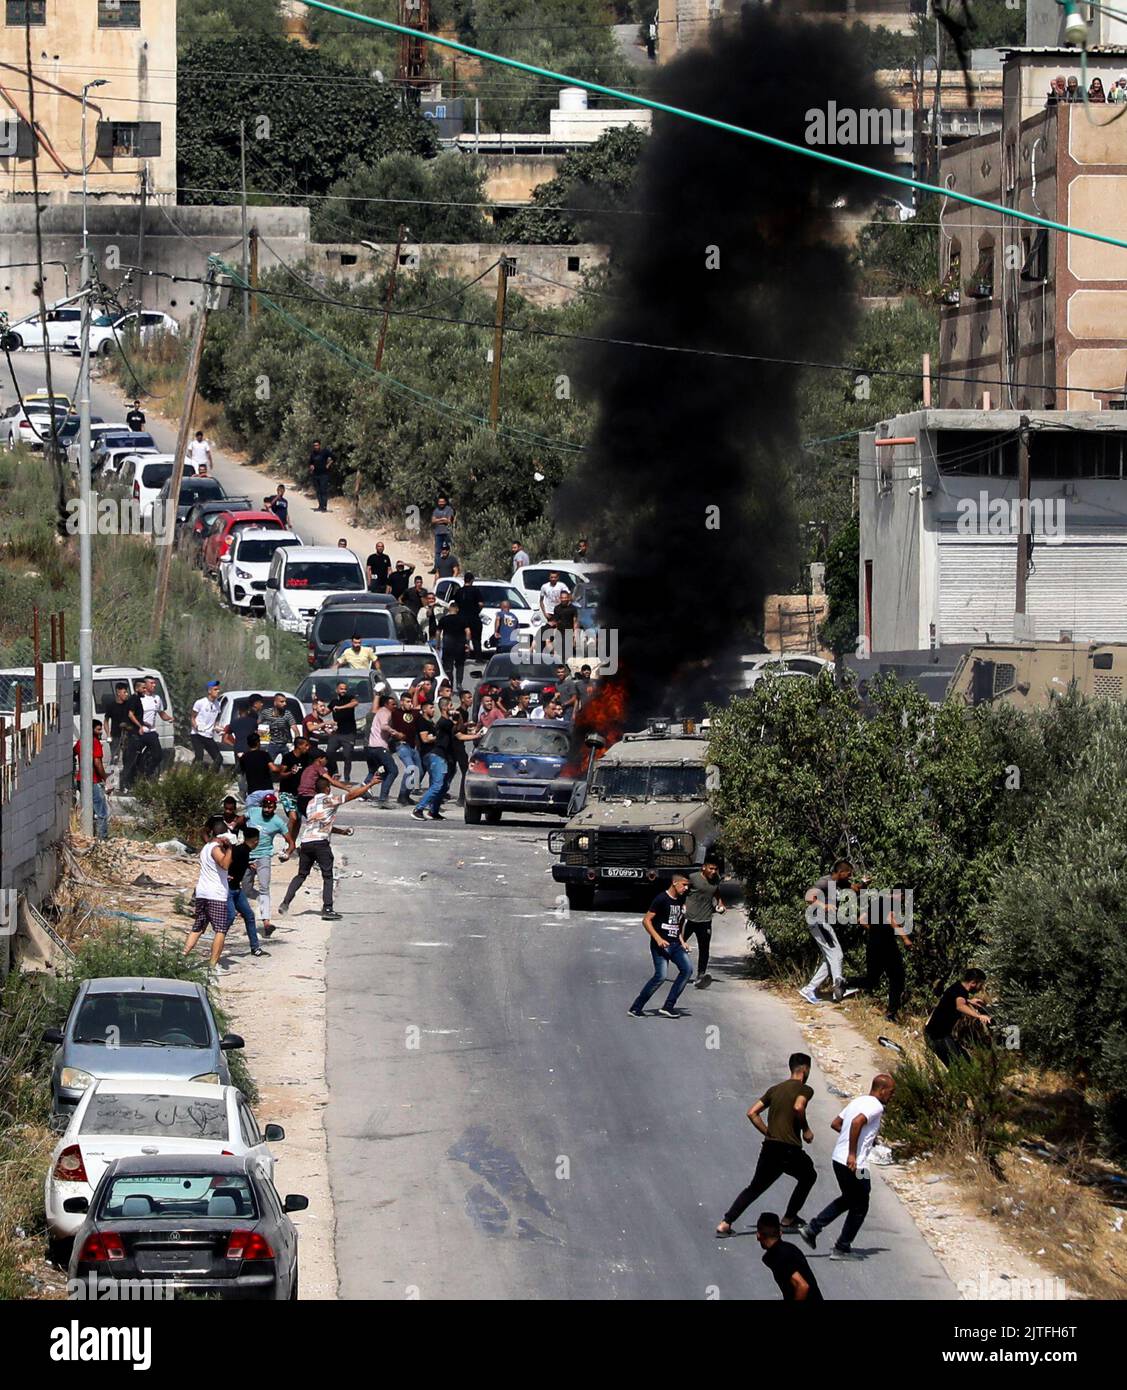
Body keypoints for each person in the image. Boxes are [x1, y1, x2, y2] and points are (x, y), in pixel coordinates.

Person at [716, 1053, 817, 1237]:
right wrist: (806, 1130)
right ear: (805, 1070)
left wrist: (769, 1132)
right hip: (789, 1149)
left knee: (754, 1188)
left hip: (770, 1147)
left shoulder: (775, 1089)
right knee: (809, 1176)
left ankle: (725, 1223)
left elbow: (752, 1112)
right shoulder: (805, 1089)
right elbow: (798, 1107)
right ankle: (789, 1218)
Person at [800, 1074, 896, 1261]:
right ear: (882, 1090)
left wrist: (865, 1140)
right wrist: (853, 1152)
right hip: (855, 1165)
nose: (891, 1097)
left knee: (851, 1198)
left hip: (839, 1159)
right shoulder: (876, 1106)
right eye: (891, 1093)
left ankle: (814, 1228)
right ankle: (841, 1247)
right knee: (861, 1204)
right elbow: (856, 1123)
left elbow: (836, 1123)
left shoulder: (858, 1101)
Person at [277, 775, 367, 921]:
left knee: (301, 875)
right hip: (320, 844)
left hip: (306, 842)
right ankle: (327, 908)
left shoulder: (311, 803)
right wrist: (370, 784)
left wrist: (342, 832)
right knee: (327, 876)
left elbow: (322, 824)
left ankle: (285, 903)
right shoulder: (329, 800)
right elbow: (352, 795)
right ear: (327, 788)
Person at [627, 874, 693, 1018]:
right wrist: (658, 939)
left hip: (675, 944)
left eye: (687, 885)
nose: (686, 888)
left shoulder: (681, 899)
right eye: (684, 884)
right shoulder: (661, 899)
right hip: (661, 946)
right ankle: (635, 1008)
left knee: (687, 970)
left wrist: (683, 941)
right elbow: (646, 921)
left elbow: (678, 923)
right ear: (674, 883)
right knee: (661, 976)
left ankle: (668, 1006)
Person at [847, 885, 912, 1022]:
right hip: (887, 946)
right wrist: (905, 939)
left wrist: (875, 931)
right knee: (897, 977)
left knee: (872, 979)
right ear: (899, 894)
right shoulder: (891, 904)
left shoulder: (876, 902)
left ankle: (845, 982)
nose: (902, 901)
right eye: (903, 897)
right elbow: (891, 920)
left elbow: (861, 920)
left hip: (873, 945)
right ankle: (891, 1013)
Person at [800, 860, 860, 1005]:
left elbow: (855, 888)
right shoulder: (825, 881)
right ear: (841, 873)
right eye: (848, 874)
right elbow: (809, 897)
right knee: (837, 954)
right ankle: (839, 986)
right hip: (818, 921)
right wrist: (824, 906)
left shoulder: (841, 883)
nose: (850, 877)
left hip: (824, 923)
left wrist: (864, 883)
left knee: (830, 959)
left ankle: (810, 989)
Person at [182, 818, 235, 976]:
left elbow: (215, 869)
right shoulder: (215, 848)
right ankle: (213, 965)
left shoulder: (206, 847)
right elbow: (224, 864)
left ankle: (183, 955)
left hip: (203, 893)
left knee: (198, 926)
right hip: (215, 895)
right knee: (220, 929)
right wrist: (230, 848)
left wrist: (225, 876)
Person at [245, 793, 295, 939]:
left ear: (274, 807)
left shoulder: (277, 822)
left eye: (270, 807)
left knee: (264, 887)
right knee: (246, 889)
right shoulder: (253, 812)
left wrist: (288, 853)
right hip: (247, 856)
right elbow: (239, 821)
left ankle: (266, 923)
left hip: (264, 857)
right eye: (265, 806)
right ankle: (261, 899)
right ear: (262, 806)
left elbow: (291, 843)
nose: (267, 809)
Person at [925, 967, 991, 1067]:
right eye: (980, 985)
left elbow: (954, 998)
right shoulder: (960, 993)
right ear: (973, 983)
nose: (981, 988)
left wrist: (969, 1001)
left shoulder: (957, 987)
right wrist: (979, 1016)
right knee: (958, 1066)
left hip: (939, 1034)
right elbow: (960, 1006)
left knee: (966, 1062)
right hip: (937, 1037)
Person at [756, 1213, 822, 1302]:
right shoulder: (789, 1248)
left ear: (758, 1235)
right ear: (780, 1233)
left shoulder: (778, 1257)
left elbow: (803, 1286)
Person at [684, 855, 724, 988]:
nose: (713, 871)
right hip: (689, 919)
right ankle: (664, 964)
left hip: (705, 920)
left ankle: (701, 975)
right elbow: (681, 890)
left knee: (704, 949)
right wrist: (681, 905)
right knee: (675, 944)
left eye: (716, 869)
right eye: (711, 868)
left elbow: (716, 891)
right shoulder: (693, 878)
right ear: (704, 867)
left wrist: (720, 903)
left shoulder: (716, 879)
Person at [225, 827, 263, 956]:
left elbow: (237, 862)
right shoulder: (240, 851)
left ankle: (255, 947)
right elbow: (225, 863)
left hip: (236, 889)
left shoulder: (244, 850)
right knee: (230, 917)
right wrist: (226, 874)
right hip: (228, 890)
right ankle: (217, 942)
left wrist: (247, 864)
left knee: (249, 915)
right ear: (256, 841)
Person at [412, 700, 451, 820]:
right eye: (431, 708)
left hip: (438, 755)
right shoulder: (423, 722)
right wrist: (436, 738)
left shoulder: (431, 723)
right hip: (432, 755)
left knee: (443, 785)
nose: (433, 710)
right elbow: (425, 739)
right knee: (437, 784)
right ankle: (418, 809)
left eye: (434, 708)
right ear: (424, 709)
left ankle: (434, 811)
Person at [73, 719, 109, 839]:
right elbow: (97, 762)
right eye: (98, 729)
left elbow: (73, 753)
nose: (101, 732)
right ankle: (101, 838)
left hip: (80, 780)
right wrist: (105, 778)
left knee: (90, 811)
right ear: (92, 730)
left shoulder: (80, 742)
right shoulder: (95, 743)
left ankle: (89, 835)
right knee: (102, 812)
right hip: (92, 781)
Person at [363, 692, 399, 805]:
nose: (395, 706)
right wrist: (395, 733)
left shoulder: (379, 712)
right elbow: (384, 726)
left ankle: (365, 788)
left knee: (379, 771)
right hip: (379, 747)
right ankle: (383, 798)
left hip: (371, 747)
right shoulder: (385, 712)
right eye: (393, 704)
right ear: (386, 704)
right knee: (393, 771)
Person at [389, 695, 422, 803]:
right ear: (402, 702)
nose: (410, 704)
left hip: (413, 746)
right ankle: (402, 795)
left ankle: (407, 795)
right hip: (401, 745)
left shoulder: (415, 714)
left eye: (411, 701)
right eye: (407, 701)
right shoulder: (395, 713)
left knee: (419, 772)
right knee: (411, 768)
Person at [138, 676, 172, 780]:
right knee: (136, 755)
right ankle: (137, 774)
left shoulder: (156, 698)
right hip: (140, 731)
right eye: (152, 683)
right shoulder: (139, 699)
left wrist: (169, 718)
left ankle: (147, 774)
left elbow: (161, 713)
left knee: (158, 755)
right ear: (146, 685)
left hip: (151, 732)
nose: (154, 685)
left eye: (154, 683)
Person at [326, 681, 360, 781]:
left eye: (345, 688)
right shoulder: (333, 702)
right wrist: (317, 707)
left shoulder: (349, 698)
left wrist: (341, 708)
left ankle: (347, 777)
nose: (343, 691)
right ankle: (334, 772)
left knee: (347, 755)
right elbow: (324, 713)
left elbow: (355, 703)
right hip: (337, 733)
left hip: (349, 733)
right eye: (341, 689)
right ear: (336, 690)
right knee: (329, 752)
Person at [438, 599, 471, 691]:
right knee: (460, 665)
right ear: (457, 609)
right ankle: (459, 683)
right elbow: (468, 632)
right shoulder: (462, 619)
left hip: (448, 645)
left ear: (449, 609)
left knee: (448, 666)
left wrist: (438, 643)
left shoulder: (444, 619)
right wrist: (467, 644)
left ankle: (450, 684)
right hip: (460, 646)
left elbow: (438, 632)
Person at [190, 679, 224, 767]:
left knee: (219, 759)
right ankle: (191, 775)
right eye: (215, 689)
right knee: (199, 757)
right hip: (197, 735)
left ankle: (211, 777)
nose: (218, 691)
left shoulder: (218, 704)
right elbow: (192, 717)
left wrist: (217, 727)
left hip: (208, 735)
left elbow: (216, 719)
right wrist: (196, 726)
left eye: (218, 689)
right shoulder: (200, 703)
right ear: (209, 691)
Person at [103, 680, 134, 774]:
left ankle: (126, 776)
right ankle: (111, 777)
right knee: (115, 756)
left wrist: (127, 726)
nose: (126, 694)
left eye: (127, 692)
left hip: (127, 735)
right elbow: (106, 721)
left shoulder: (129, 705)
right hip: (115, 735)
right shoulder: (111, 705)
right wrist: (108, 734)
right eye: (124, 692)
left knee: (128, 756)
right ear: (118, 692)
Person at [224, 693, 263, 760]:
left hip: (239, 747)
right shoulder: (252, 716)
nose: (262, 704)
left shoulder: (234, 722)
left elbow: (226, 738)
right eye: (261, 702)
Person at [238, 733, 275, 799]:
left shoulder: (244, 757)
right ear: (258, 742)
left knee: (252, 809)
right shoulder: (265, 754)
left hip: (253, 792)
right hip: (267, 790)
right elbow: (274, 769)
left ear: (248, 744)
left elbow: (242, 776)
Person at [263, 692, 296, 761]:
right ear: (275, 703)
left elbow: (294, 728)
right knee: (268, 764)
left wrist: (297, 742)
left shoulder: (287, 714)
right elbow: (256, 724)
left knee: (289, 764)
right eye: (282, 702)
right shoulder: (266, 713)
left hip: (286, 744)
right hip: (272, 744)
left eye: (285, 701)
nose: (285, 704)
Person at [458, 574, 485, 657]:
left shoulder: (459, 591)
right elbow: (481, 604)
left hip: (462, 617)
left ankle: (461, 655)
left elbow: (455, 604)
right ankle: (478, 657)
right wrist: (477, 611)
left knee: (461, 638)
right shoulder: (476, 590)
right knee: (476, 639)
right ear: (472, 580)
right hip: (474, 617)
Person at [309, 439, 333, 511]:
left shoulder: (325, 452)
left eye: (317, 445)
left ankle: (324, 506)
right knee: (318, 491)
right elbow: (310, 462)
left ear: (319, 445)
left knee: (323, 490)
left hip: (324, 474)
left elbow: (333, 458)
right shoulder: (312, 454)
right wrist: (311, 467)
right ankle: (320, 505)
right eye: (314, 445)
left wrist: (328, 465)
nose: (315, 447)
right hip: (316, 475)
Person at [431, 494, 455, 563]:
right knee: (438, 551)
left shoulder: (449, 509)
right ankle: (436, 567)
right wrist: (443, 519)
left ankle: (449, 566)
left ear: (445, 502)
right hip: (438, 533)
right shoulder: (436, 510)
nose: (441, 503)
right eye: (440, 502)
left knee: (448, 550)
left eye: (442, 502)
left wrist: (438, 520)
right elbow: (433, 521)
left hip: (447, 532)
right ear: (438, 502)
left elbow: (449, 521)